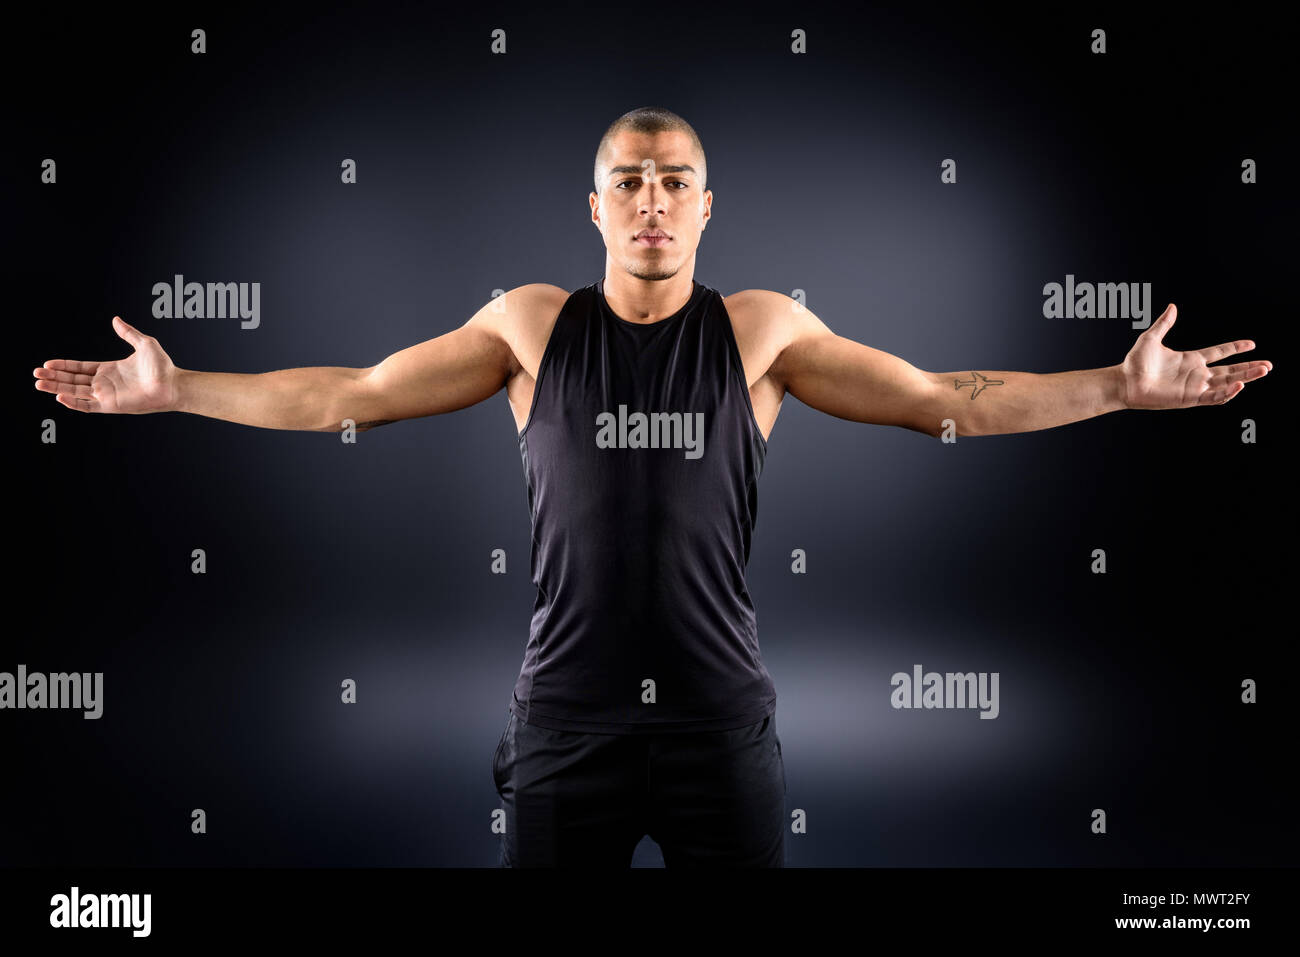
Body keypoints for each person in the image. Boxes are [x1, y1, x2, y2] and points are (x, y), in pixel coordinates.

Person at [31, 107, 1271, 867]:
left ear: (706, 205)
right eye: (628, 179)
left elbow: (951, 396)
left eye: (674, 178)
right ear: (594, 206)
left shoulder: (761, 332)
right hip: (562, 727)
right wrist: (176, 385)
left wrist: (1117, 388)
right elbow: (347, 392)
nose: (652, 198)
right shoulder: (527, 325)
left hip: (717, 730)